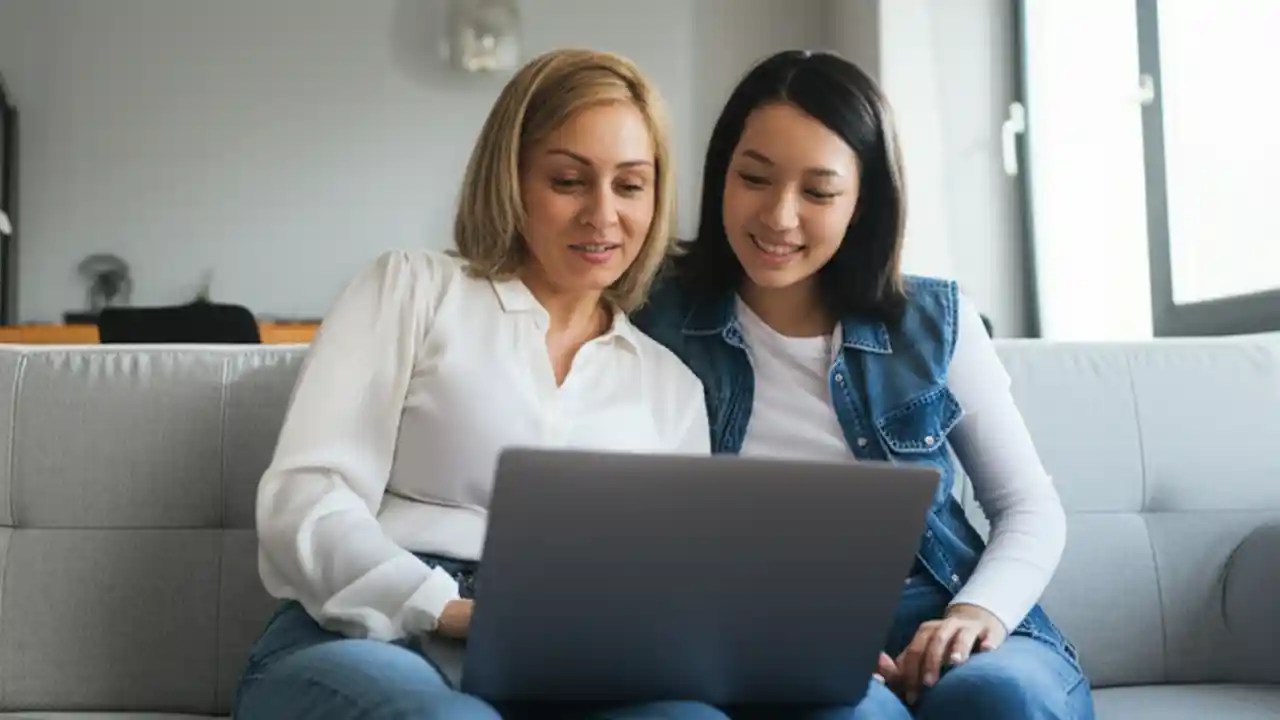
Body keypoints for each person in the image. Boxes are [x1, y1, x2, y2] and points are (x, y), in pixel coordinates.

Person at [233, 48, 722, 720]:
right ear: (512, 178)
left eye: (630, 185)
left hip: (558, 662)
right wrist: (450, 610)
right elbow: (308, 498)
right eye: (568, 180)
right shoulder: (413, 289)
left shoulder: (671, 390)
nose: (602, 215)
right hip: (365, 635)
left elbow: (667, 590)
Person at [634, 50, 1096, 720]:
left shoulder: (935, 321)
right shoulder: (657, 316)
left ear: (863, 203)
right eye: (754, 178)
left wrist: (975, 613)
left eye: (818, 193)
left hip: (941, 603)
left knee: (1002, 700)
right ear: (720, 176)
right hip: (769, 635)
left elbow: (1029, 507)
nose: (779, 217)